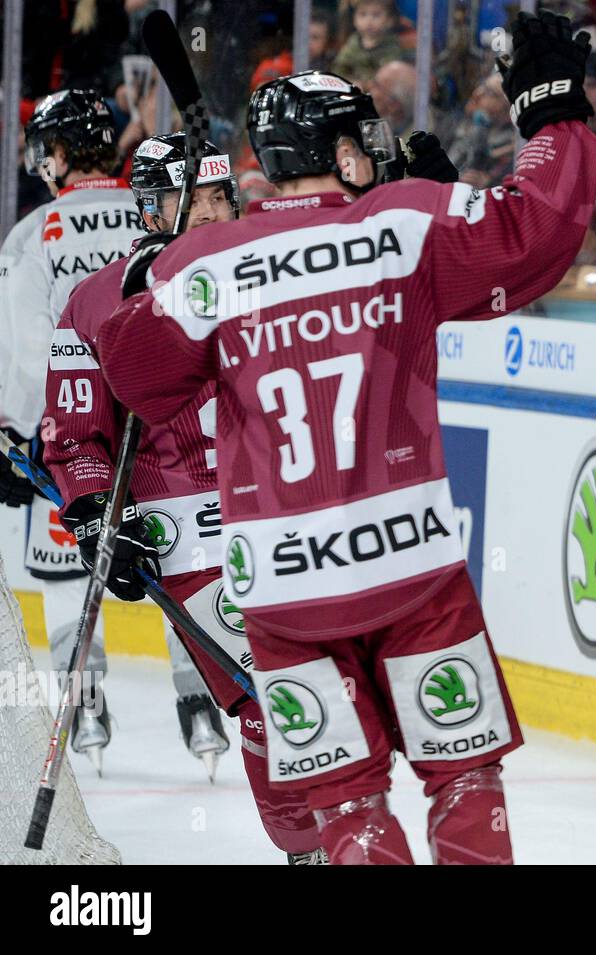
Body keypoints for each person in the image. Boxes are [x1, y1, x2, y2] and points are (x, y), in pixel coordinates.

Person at [96, 10, 596, 865]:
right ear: (337, 155)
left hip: (284, 594)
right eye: (362, 141)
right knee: (465, 782)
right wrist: (552, 112)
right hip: (410, 569)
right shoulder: (405, 222)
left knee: (348, 809)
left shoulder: (209, 263)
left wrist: (157, 267)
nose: (376, 151)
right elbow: (541, 231)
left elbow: (137, 374)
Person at [41, 133, 333, 863]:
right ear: (152, 206)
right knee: (274, 696)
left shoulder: (266, 272)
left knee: (332, 691)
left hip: (289, 524)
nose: (212, 211)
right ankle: (310, 849)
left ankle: (344, 834)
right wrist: (91, 512)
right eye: (194, 197)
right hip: (193, 539)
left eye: (219, 195)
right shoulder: (93, 302)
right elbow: (75, 436)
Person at [0, 90, 192, 769]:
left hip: (77, 430)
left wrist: (19, 435)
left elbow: (27, 356)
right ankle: (200, 700)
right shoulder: (157, 211)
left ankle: (85, 705)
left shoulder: (36, 232)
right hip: (162, 423)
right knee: (179, 553)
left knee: (63, 562)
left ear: (56, 155)